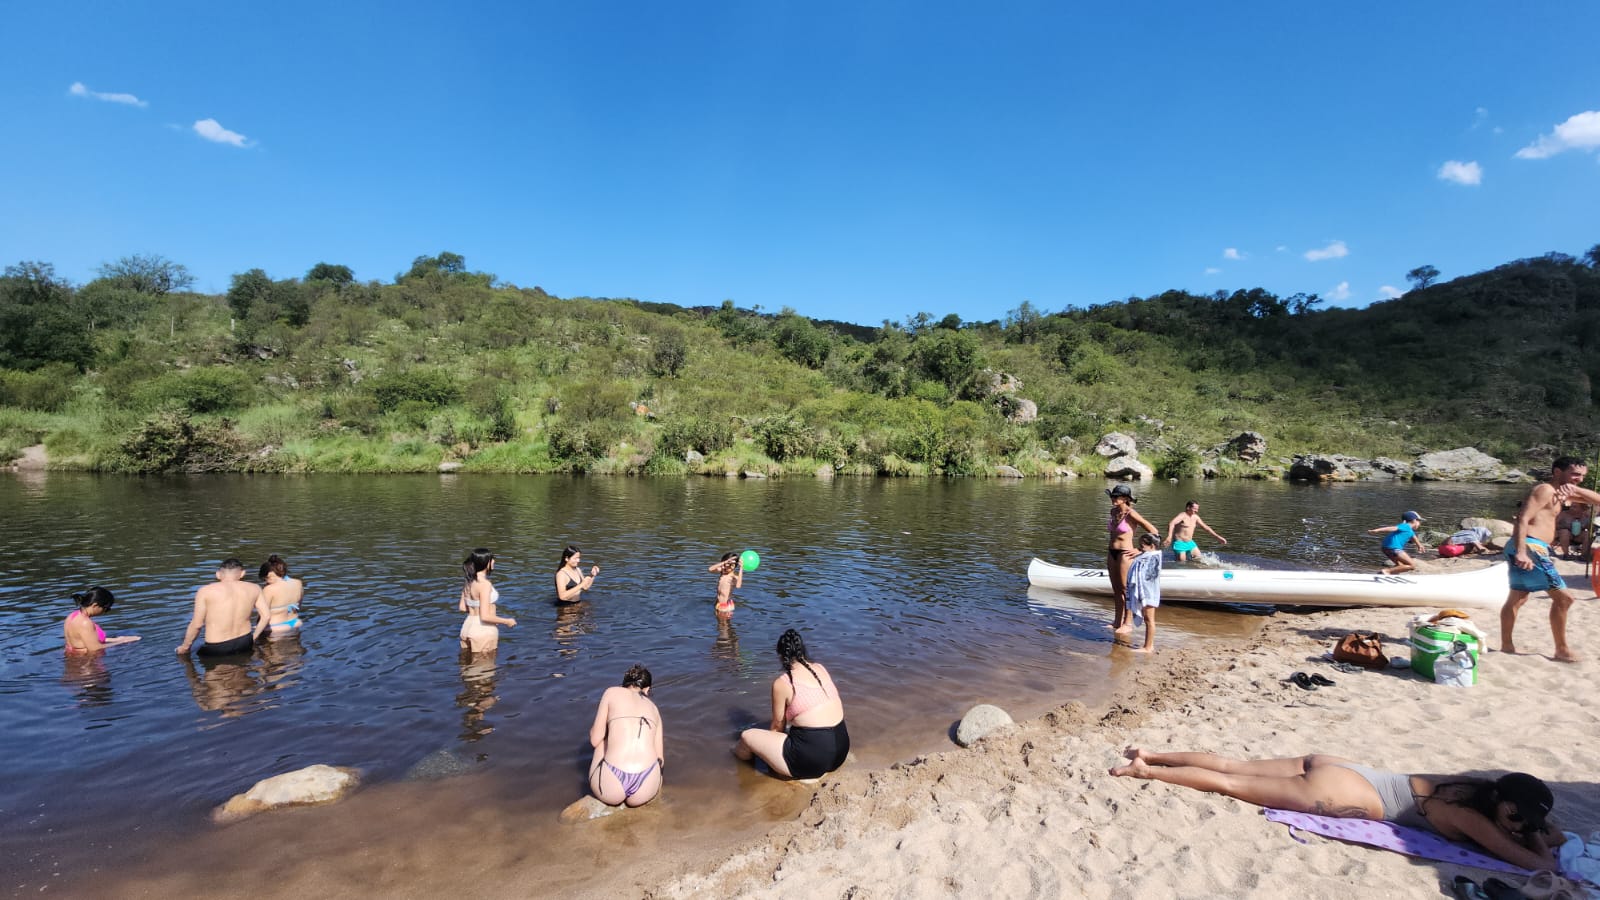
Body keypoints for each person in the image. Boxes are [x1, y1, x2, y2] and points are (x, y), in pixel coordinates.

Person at [1109, 749, 1561, 870]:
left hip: (1345, 765)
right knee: (1230, 782)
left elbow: (1540, 832)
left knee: (1234, 764)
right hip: (1344, 790)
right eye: (1518, 817)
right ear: (1501, 803)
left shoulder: (1475, 789)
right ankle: (1143, 771)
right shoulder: (1469, 817)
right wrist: (1534, 836)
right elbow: (1535, 861)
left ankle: (1151, 753)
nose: (1522, 826)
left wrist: (1534, 825)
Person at [1502, 456, 1600, 661]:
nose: (1579, 479)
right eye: (1575, 474)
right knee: (1565, 598)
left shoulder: (1562, 493)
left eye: (1582, 476)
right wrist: (1521, 551)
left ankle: (1507, 646)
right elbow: (1523, 518)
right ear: (1557, 472)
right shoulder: (1545, 489)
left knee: (1518, 597)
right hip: (1530, 546)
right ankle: (1561, 649)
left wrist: (1576, 491)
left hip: (1532, 546)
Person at [735, 629, 849, 780]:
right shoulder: (820, 668)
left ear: (782, 657)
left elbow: (777, 727)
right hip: (841, 750)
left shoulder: (782, 683)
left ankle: (744, 773)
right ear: (802, 650)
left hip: (813, 759)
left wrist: (770, 758)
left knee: (746, 737)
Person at [588, 664, 664, 807]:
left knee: (602, 741)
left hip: (611, 786)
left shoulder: (611, 692)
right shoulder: (654, 709)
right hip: (646, 785)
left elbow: (594, 740)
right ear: (647, 689)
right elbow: (660, 760)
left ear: (624, 685)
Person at [176, 559, 270, 657]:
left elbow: (197, 624)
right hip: (245, 641)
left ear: (218, 574)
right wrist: (253, 637)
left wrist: (185, 647)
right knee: (242, 670)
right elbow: (266, 616)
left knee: (215, 671)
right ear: (242, 574)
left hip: (217, 646)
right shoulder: (255, 588)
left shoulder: (205, 591)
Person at [1106, 484, 1159, 632]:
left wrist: (1140, 549)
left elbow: (1154, 532)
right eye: (1112, 496)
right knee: (1116, 589)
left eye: (1116, 496)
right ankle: (1117, 621)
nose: (1113, 498)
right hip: (1112, 552)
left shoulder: (1131, 514)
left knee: (1125, 589)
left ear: (1125, 499)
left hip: (1125, 553)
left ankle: (1127, 623)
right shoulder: (1113, 512)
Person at [459, 548, 514, 653]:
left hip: (466, 628)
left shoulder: (469, 581)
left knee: (466, 667)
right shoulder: (485, 584)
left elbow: (462, 608)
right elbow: (485, 617)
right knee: (486, 667)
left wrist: (475, 609)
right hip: (483, 630)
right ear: (485, 562)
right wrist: (507, 621)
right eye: (491, 559)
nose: (494, 561)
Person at [63, 587, 140, 653]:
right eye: (106, 608)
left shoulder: (72, 615)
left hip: (75, 660)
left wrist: (117, 639)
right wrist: (122, 642)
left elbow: (83, 641)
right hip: (86, 664)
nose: (105, 612)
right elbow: (95, 649)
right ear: (95, 605)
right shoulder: (85, 623)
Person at [1123, 534, 1163, 651]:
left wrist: (1141, 592)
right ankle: (1147, 645)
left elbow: (1150, 576)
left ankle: (1148, 647)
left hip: (1149, 592)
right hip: (1145, 592)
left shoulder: (1153, 557)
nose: (1140, 548)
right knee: (1147, 619)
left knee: (1149, 620)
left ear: (1151, 546)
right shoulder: (1147, 554)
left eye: (1142, 546)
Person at [1368, 511, 1427, 575]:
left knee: (1400, 566)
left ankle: (1384, 574)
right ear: (1414, 520)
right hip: (1394, 548)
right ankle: (1387, 571)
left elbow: (1414, 537)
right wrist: (1377, 530)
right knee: (1412, 565)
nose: (1420, 524)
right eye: (1419, 522)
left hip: (1385, 548)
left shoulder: (1409, 530)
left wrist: (1419, 545)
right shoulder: (1405, 526)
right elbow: (1393, 528)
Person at [259, 555, 303, 634]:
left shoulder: (269, 589)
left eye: (264, 579)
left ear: (269, 575)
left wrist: (255, 633)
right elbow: (298, 607)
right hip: (295, 623)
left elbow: (264, 615)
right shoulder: (298, 583)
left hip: (275, 628)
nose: (265, 582)